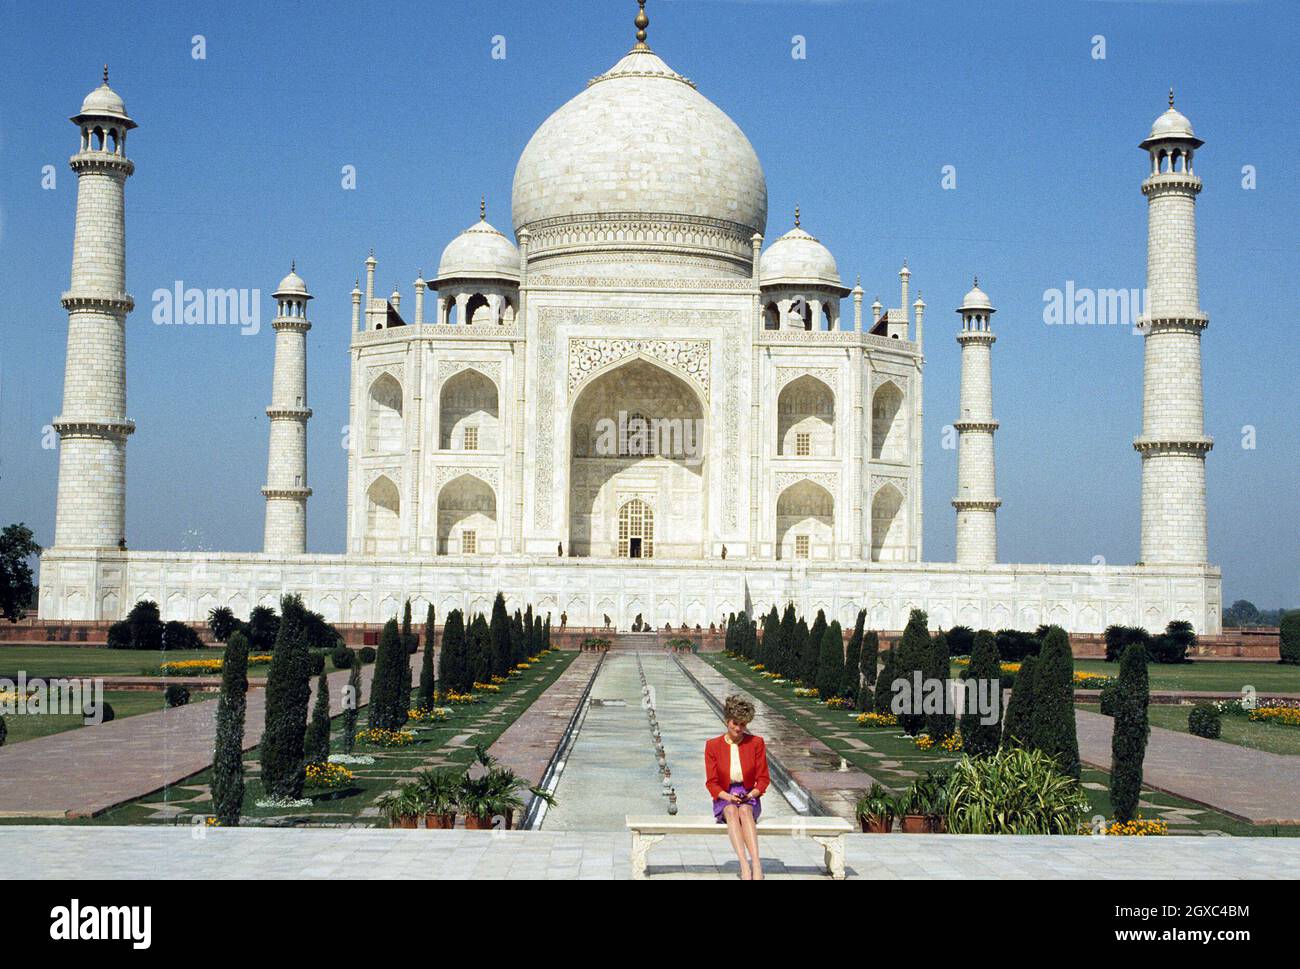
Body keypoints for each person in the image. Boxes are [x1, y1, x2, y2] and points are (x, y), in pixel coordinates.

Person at [704, 694, 770, 880]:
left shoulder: (756, 743)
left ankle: (756, 864)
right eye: (735, 723)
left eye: (743, 724)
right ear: (727, 720)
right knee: (732, 811)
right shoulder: (712, 745)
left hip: (750, 794)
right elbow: (711, 783)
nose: (738, 728)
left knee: (745, 811)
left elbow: (763, 779)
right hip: (724, 796)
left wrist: (751, 795)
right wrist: (727, 796)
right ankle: (744, 866)